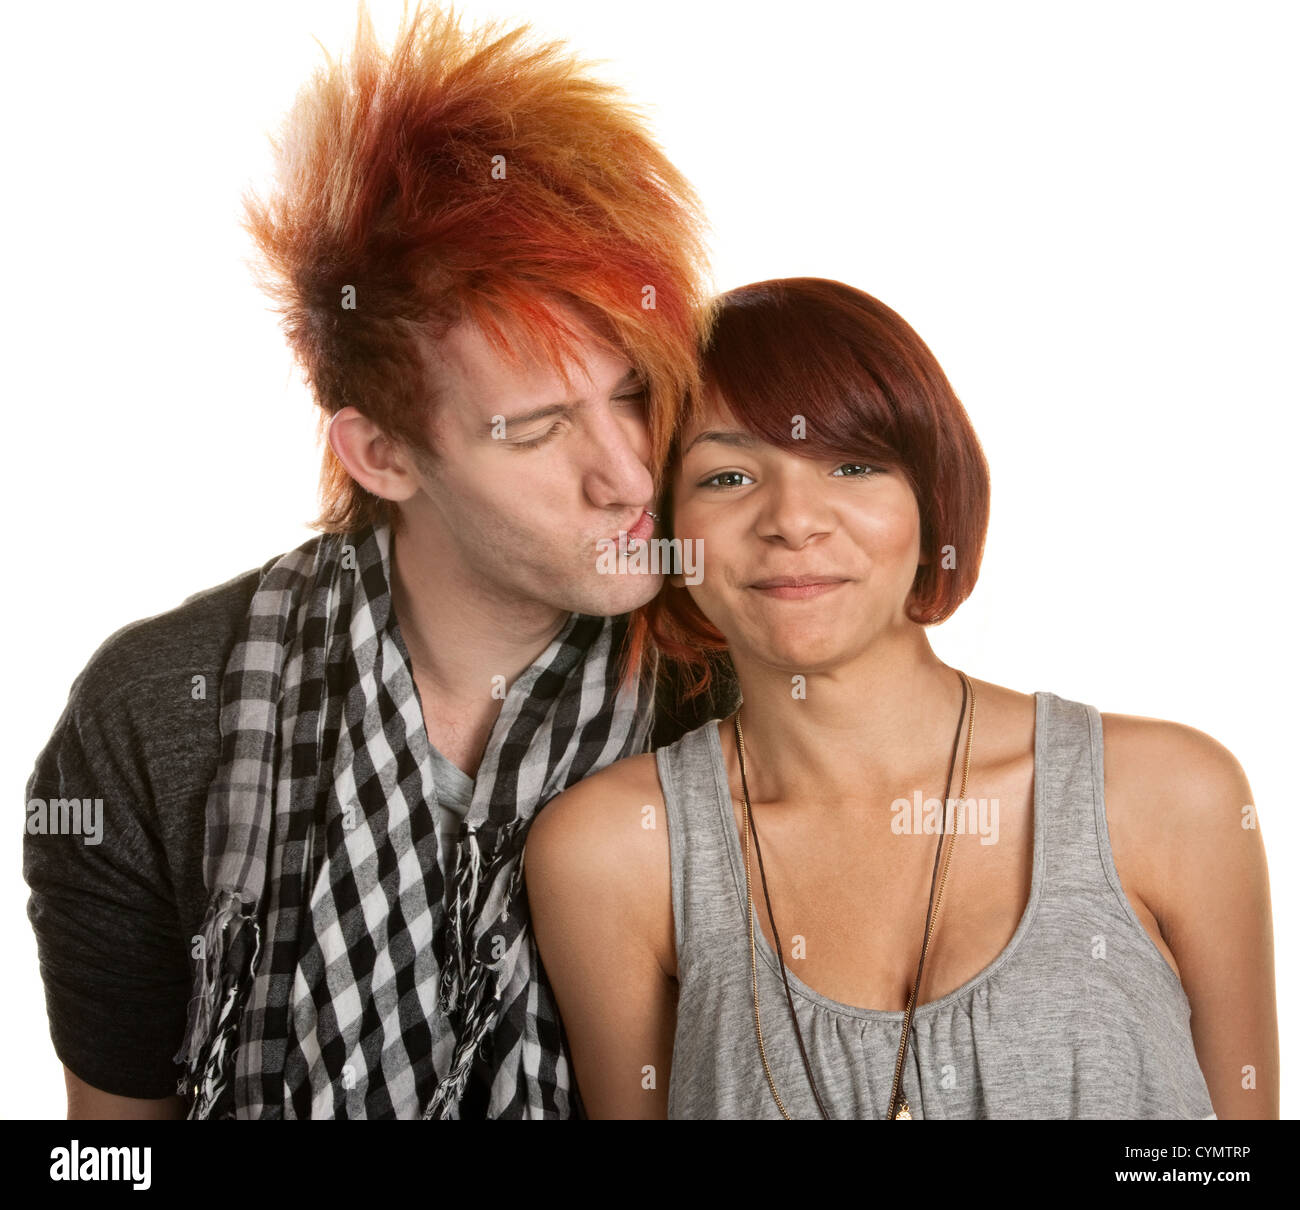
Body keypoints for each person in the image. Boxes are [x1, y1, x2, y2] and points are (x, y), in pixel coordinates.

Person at [22, 2, 725, 1120]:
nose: (628, 476)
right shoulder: (158, 718)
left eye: (635, 393)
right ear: (382, 453)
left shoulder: (734, 692)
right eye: (538, 428)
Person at [525, 276, 1280, 1120]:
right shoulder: (613, 854)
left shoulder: (1171, 795)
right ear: (660, 525)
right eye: (728, 477)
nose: (794, 519)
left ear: (931, 501)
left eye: (854, 465)